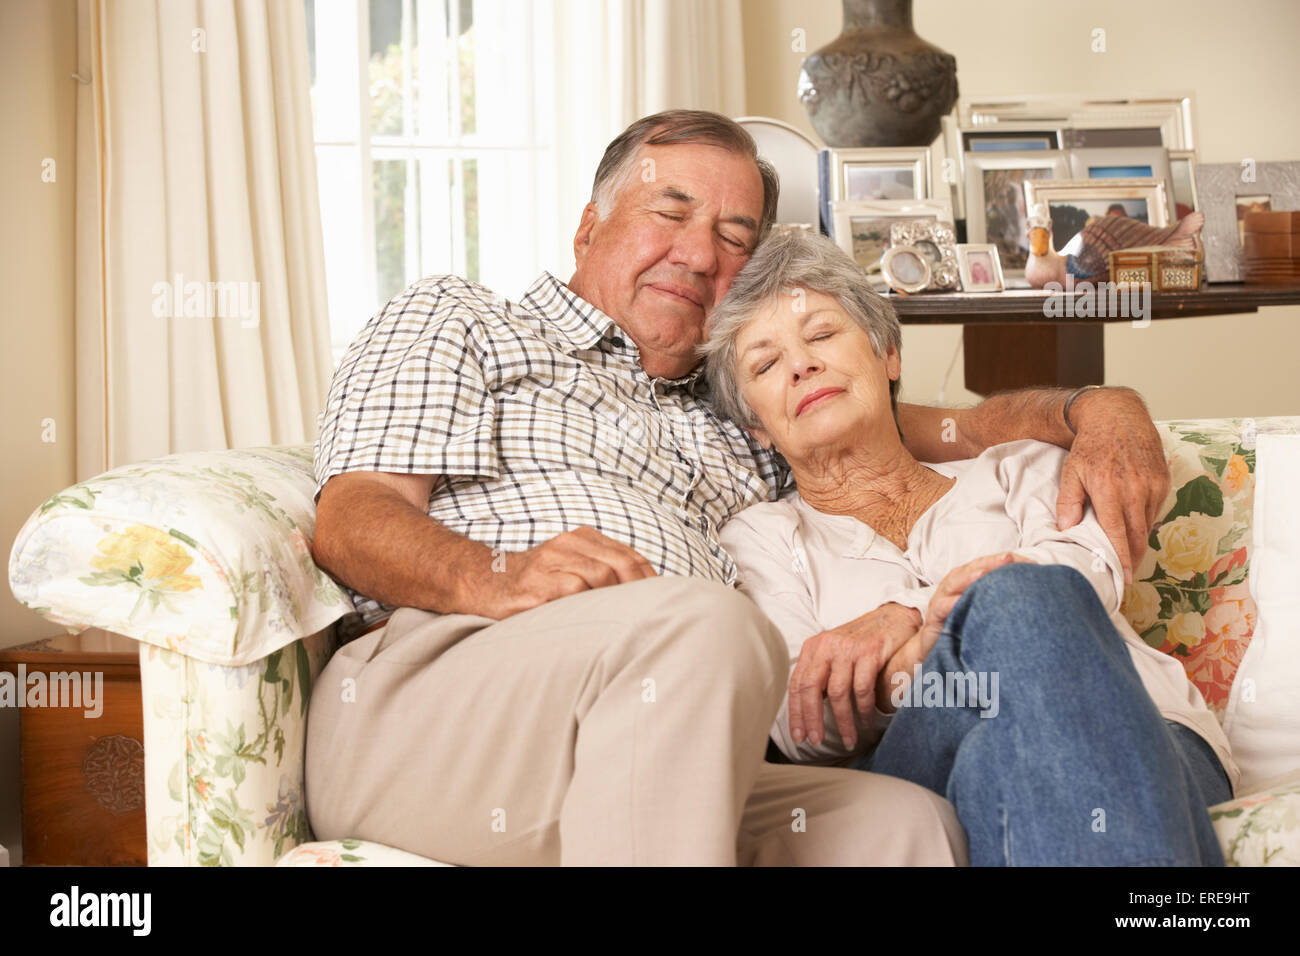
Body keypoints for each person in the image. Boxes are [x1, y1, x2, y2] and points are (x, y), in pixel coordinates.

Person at [304, 109, 1171, 866]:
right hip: (450, 709)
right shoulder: (464, 320)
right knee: (704, 623)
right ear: (587, 228)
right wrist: (497, 575)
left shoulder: (742, 409)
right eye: (670, 212)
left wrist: (1096, 406)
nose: (697, 252)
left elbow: (924, 423)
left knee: (903, 824)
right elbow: (353, 519)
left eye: (734, 238)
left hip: (668, 730)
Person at [700, 227, 1235, 866]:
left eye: (821, 334)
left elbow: (1090, 572)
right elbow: (799, 722)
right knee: (1009, 611)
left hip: (1146, 735)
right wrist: (929, 657)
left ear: (887, 354)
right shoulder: (758, 540)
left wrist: (906, 621)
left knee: (999, 748)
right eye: (764, 363)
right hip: (918, 755)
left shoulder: (1019, 467)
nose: (800, 364)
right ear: (756, 425)